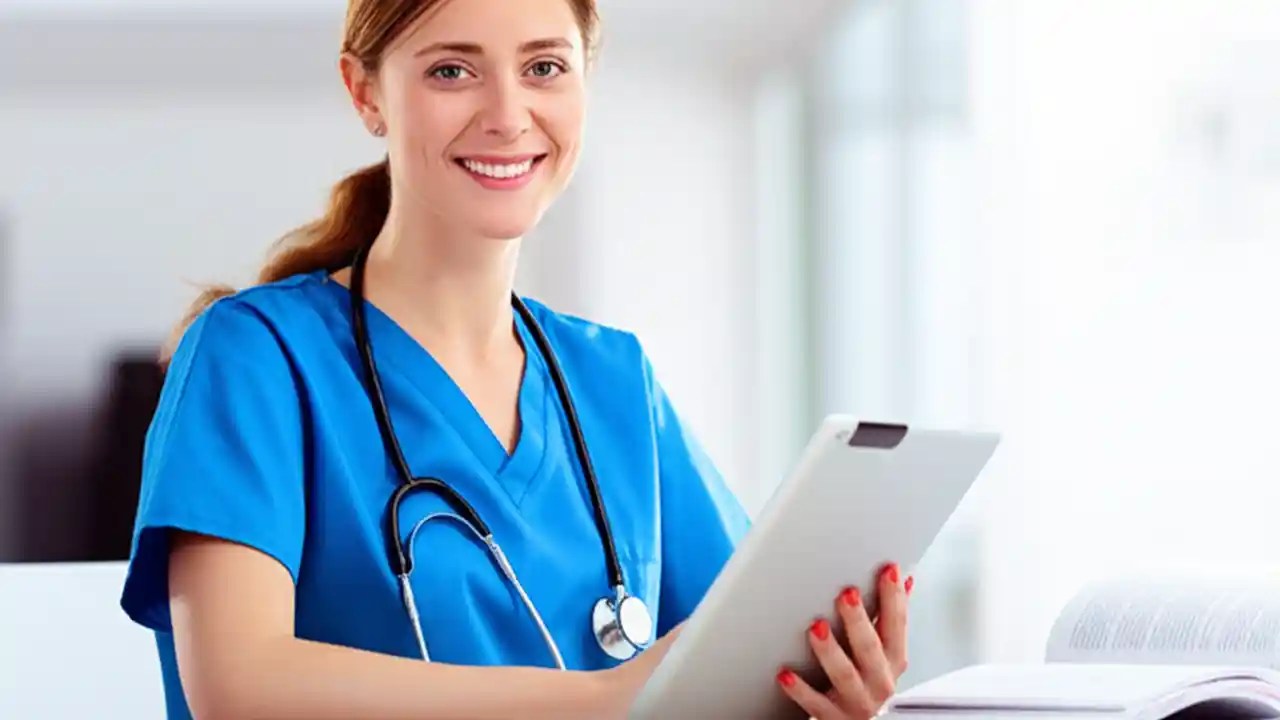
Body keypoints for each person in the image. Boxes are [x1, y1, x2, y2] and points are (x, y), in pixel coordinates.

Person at [118, 0, 914, 717]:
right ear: (364, 94)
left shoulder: (612, 380)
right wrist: (604, 698)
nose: (508, 114)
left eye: (544, 67)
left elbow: (734, 656)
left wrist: (821, 686)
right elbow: (240, 683)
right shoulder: (254, 357)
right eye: (452, 70)